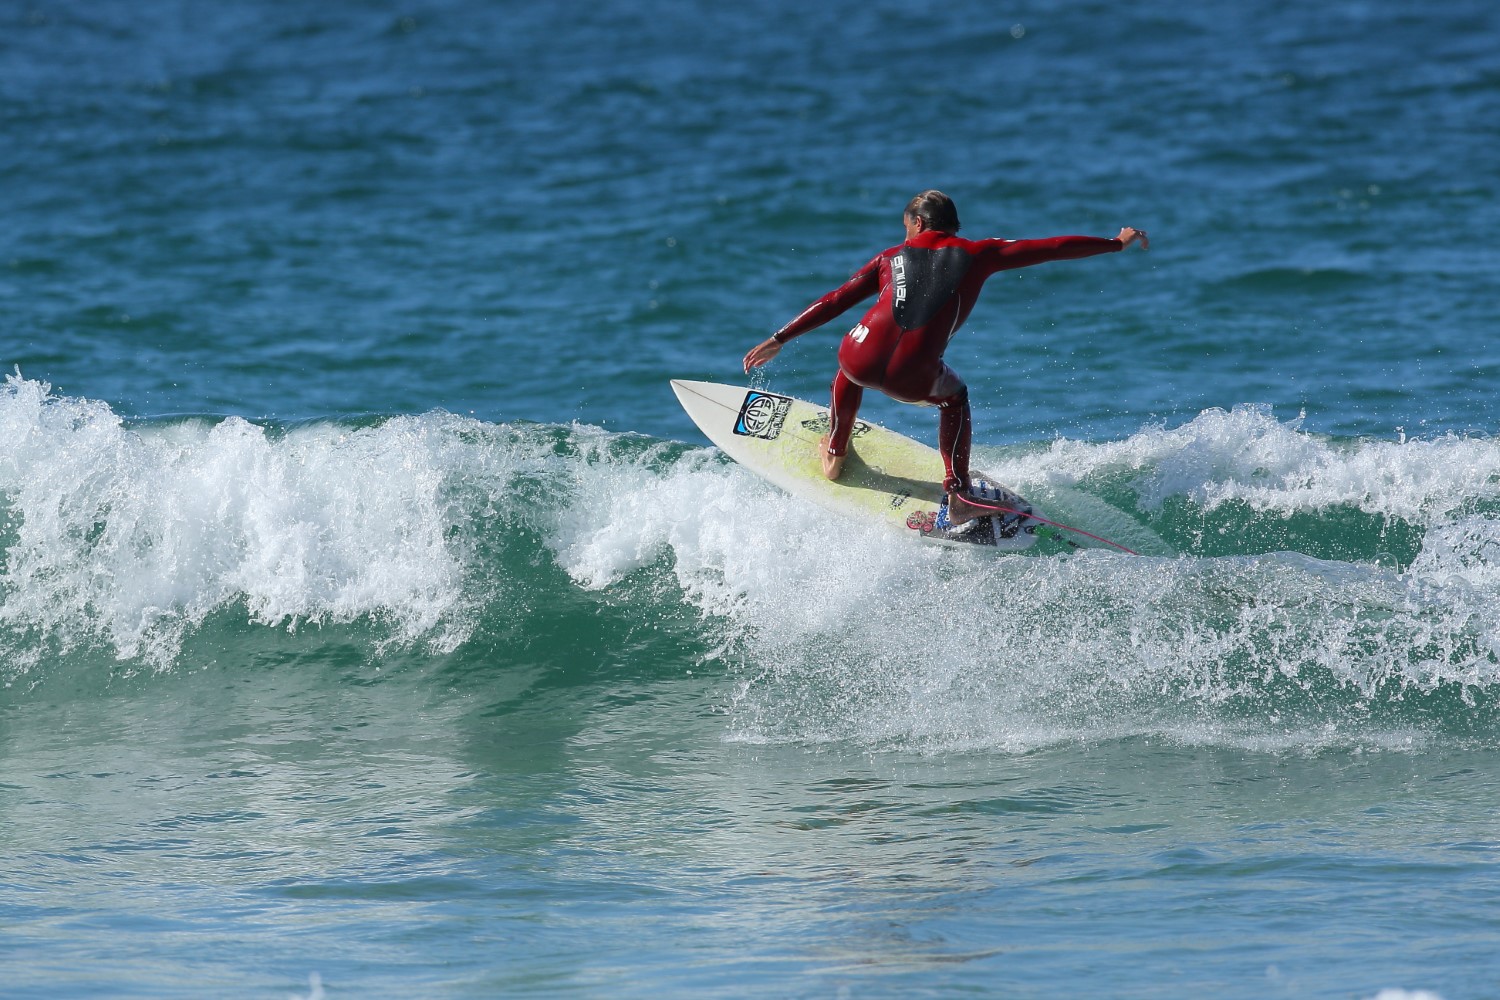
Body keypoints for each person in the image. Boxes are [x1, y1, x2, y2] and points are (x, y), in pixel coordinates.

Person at [743, 190, 1148, 525]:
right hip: (913, 376)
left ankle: (834, 454)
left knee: (848, 371)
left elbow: (836, 299)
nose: (905, 235)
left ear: (918, 223)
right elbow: (1051, 248)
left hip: (857, 354)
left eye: (906, 227)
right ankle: (958, 495)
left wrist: (780, 338)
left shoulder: (889, 257)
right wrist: (1115, 243)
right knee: (955, 397)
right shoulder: (980, 253)